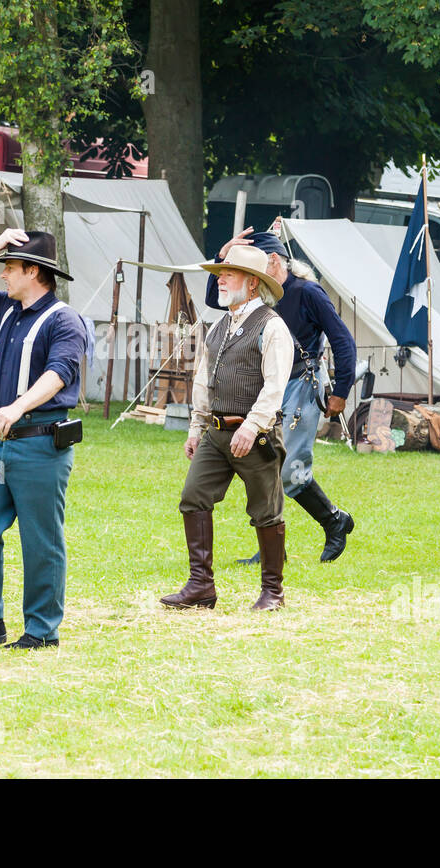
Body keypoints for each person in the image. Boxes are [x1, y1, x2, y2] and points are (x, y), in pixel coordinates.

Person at [0, 229, 87, 649]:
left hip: (41, 444)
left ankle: (42, 632)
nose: (3, 274)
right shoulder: (6, 308)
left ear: (33, 272)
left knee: (41, 540)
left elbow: (59, 373)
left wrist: (17, 407)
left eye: (10, 266)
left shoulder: (63, 319)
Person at [204, 220, 358, 563]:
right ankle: (272, 549)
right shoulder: (258, 295)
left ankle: (334, 520)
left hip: (302, 384)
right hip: (266, 390)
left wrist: (342, 389)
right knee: (265, 464)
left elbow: (342, 340)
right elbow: (215, 301)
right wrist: (222, 255)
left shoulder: (308, 293)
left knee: (287, 469)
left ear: (273, 261)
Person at [162, 244, 294, 611]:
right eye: (220, 273)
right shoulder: (220, 325)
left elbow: (275, 387)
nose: (220, 279)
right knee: (193, 498)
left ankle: (273, 592)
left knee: (266, 512)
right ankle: (201, 587)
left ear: (252, 284)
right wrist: (195, 427)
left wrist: (252, 427)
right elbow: (203, 380)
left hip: (257, 435)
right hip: (216, 433)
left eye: (228, 274)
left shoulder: (273, 327)